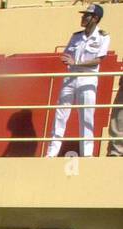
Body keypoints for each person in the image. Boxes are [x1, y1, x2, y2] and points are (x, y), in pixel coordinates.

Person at [47, 4, 111, 158]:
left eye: (86, 15)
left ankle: (87, 154)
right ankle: (52, 152)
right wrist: (71, 62)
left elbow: (97, 60)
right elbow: (66, 55)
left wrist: (75, 63)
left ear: (95, 18)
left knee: (86, 116)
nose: (83, 18)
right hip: (71, 78)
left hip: (87, 79)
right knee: (60, 115)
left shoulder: (103, 37)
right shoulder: (76, 36)